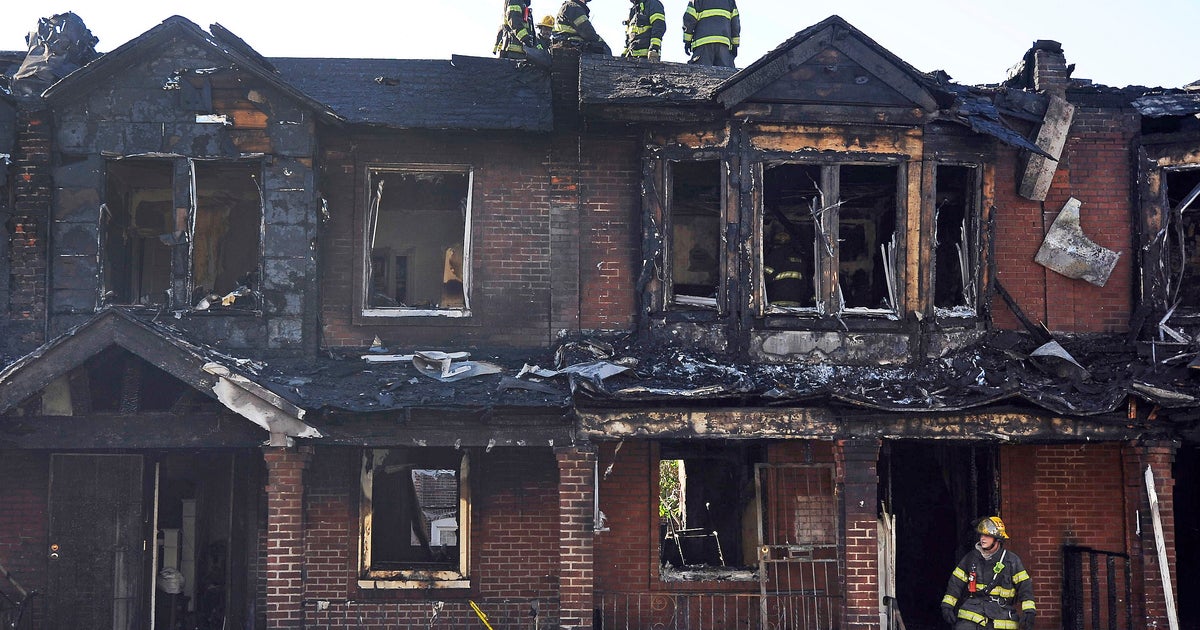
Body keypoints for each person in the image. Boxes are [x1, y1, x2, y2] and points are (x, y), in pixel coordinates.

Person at [941, 517, 1037, 630]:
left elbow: (1025, 587)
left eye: (987, 536)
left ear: (998, 539)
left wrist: (1029, 611)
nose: (982, 538)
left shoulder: (1011, 561)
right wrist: (947, 606)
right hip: (973, 614)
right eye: (981, 535)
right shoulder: (971, 558)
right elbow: (955, 584)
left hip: (1002, 616)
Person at [682, 0, 740, 68]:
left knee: (701, 74)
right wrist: (735, 45)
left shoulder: (696, 1)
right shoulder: (730, 1)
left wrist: (687, 41)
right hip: (723, 47)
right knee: (726, 75)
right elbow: (735, 25)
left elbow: (689, 20)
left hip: (703, 46)